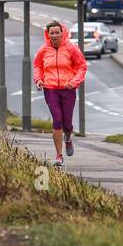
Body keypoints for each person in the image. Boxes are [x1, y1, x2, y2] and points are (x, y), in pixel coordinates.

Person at [32, 20, 88, 167]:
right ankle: (59, 155)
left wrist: (74, 82)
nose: (55, 35)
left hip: (68, 89)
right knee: (57, 120)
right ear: (48, 34)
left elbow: (82, 66)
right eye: (52, 33)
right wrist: (38, 80)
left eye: (57, 32)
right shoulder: (43, 50)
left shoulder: (71, 48)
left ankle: (68, 138)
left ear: (62, 33)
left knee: (67, 123)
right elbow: (37, 65)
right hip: (50, 88)